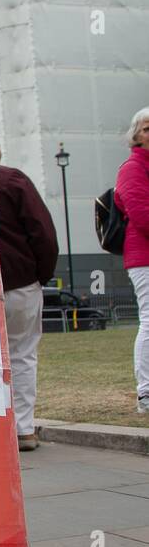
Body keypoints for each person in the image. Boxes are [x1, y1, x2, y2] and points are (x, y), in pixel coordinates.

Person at [0, 147, 58, 450]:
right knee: (22, 354)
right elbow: (42, 233)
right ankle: (23, 428)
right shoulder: (13, 181)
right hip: (19, 280)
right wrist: (39, 275)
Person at [114, 106, 149, 413]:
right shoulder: (133, 168)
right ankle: (146, 392)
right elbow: (141, 214)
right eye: (148, 129)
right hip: (144, 257)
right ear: (137, 136)